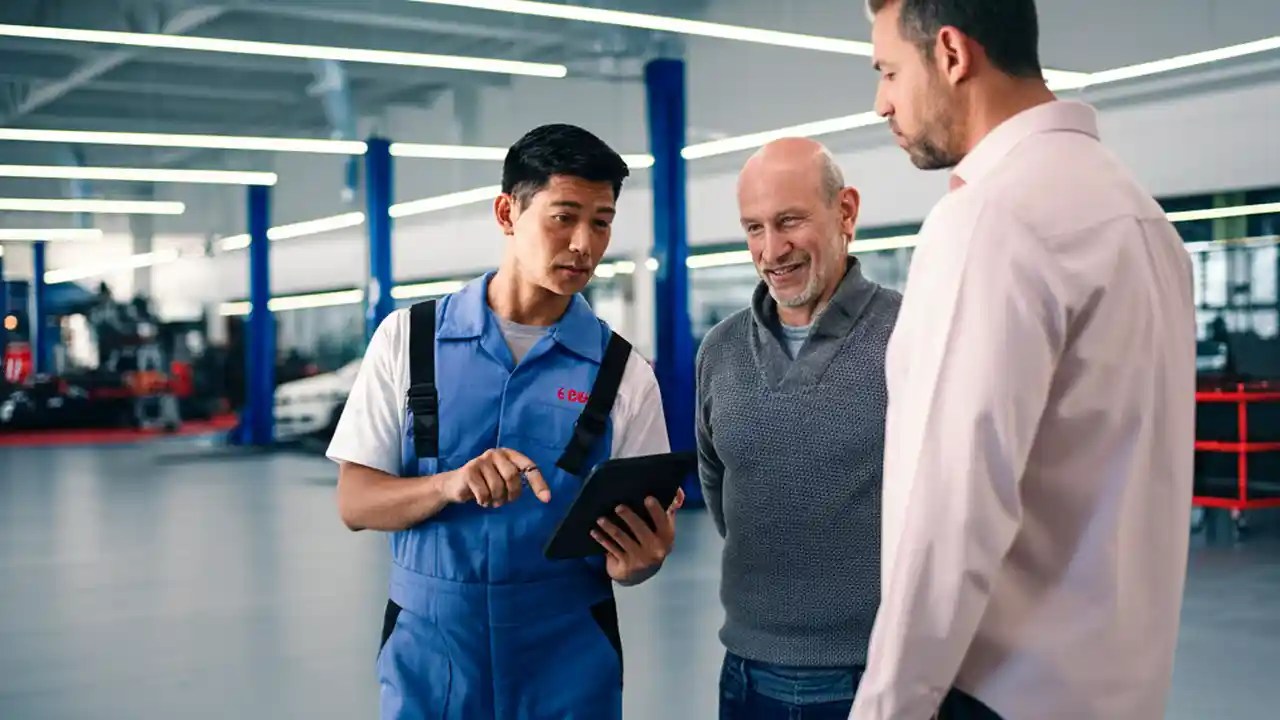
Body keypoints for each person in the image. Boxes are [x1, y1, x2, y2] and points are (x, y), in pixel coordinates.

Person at [850, 2, 1196, 719]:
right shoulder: (1141, 217)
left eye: (888, 71)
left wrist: (887, 709)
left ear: (950, 54)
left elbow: (947, 513)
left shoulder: (990, 218)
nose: (881, 101)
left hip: (998, 699)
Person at [326, 123, 683, 720]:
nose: (583, 244)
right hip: (430, 654)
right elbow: (356, 503)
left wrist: (640, 561)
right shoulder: (408, 341)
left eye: (601, 221)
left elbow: (635, 555)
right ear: (507, 211)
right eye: (563, 216)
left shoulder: (624, 373)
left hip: (568, 657)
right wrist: (447, 484)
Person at [696, 137, 902, 719]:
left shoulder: (910, 334)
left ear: (846, 212)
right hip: (744, 672)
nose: (771, 249)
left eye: (789, 221)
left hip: (874, 675)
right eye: (753, 228)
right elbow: (721, 490)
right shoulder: (722, 349)